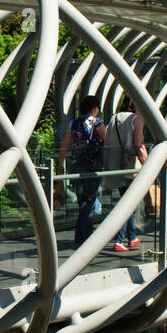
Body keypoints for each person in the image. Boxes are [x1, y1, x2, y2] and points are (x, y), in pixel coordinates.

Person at [58, 95, 107, 248]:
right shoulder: (98, 123)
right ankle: (81, 236)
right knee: (89, 200)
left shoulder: (74, 123)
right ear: (94, 108)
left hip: (76, 165)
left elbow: (65, 143)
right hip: (94, 166)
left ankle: (88, 235)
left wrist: (61, 162)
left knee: (83, 201)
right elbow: (107, 143)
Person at [106, 99, 148, 252]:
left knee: (126, 200)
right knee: (127, 203)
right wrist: (148, 163)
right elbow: (138, 145)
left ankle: (132, 237)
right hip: (131, 166)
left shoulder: (114, 117)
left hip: (116, 164)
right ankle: (118, 240)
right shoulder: (136, 119)